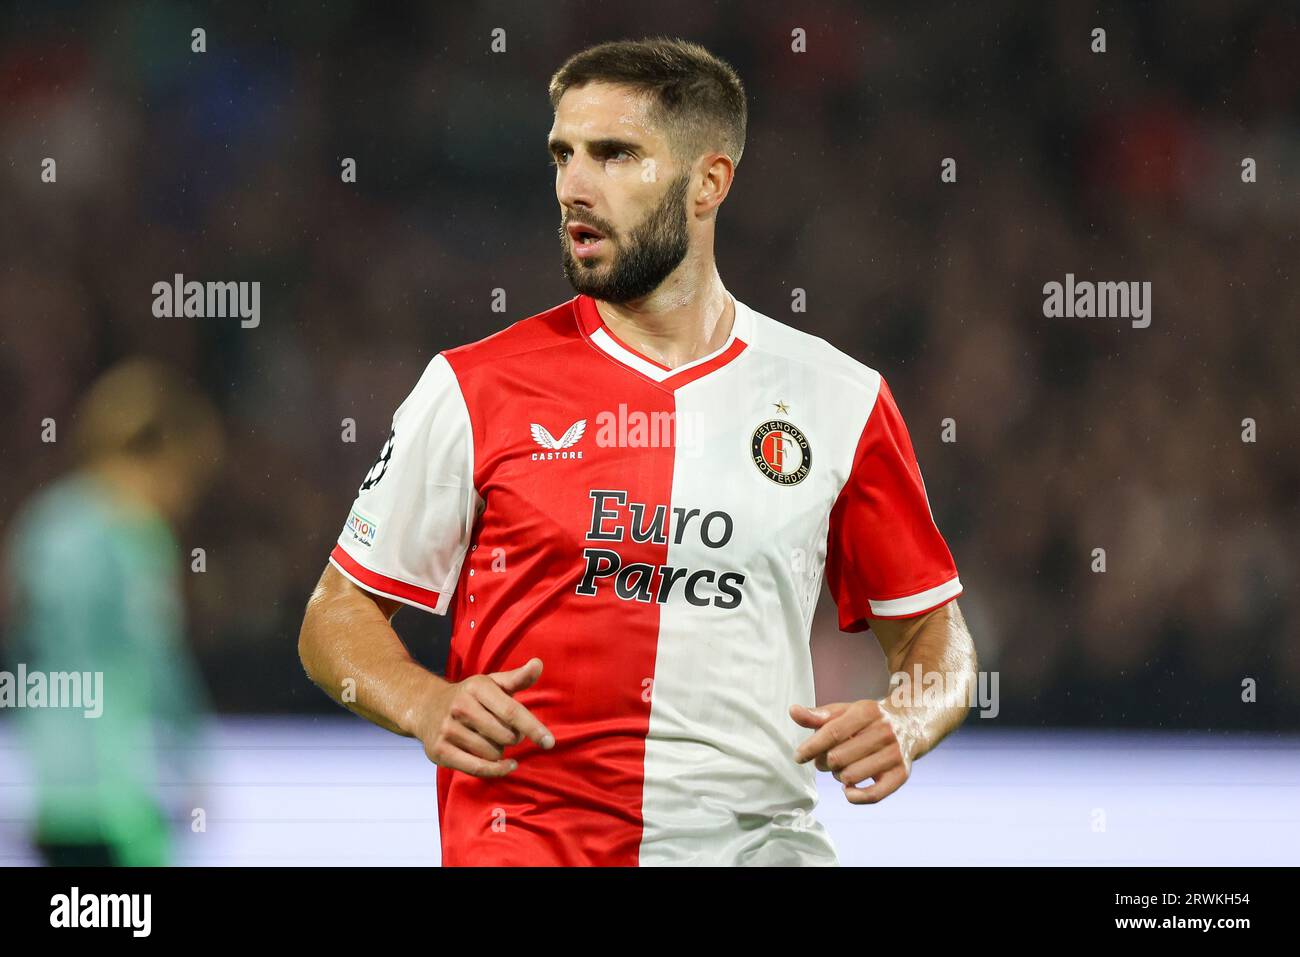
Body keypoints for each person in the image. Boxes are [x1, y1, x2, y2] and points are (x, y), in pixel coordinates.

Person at [299, 37, 977, 866]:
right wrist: (424, 701)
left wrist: (907, 719)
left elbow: (934, 638)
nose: (574, 187)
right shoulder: (473, 387)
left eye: (616, 154)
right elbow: (336, 614)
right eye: (563, 155)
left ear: (709, 181)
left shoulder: (840, 398)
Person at [4, 357, 223, 866]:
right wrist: (192, 758)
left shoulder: (45, 524)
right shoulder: (132, 536)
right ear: (161, 454)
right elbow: (156, 662)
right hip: (119, 800)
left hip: (53, 793)